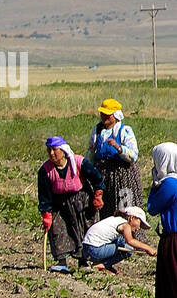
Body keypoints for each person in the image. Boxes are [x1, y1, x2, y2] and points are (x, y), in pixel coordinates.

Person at [38, 137, 103, 273]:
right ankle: (62, 262)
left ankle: (84, 261)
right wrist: (46, 214)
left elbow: (96, 178)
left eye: (54, 150)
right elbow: (44, 195)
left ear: (63, 150)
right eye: (48, 150)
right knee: (58, 229)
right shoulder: (45, 170)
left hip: (81, 199)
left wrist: (98, 195)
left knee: (84, 229)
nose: (51, 153)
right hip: (59, 202)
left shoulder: (79, 162)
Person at [88, 98, 143, 216]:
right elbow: (91, 153)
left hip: (122, 177)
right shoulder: (97, 131)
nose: (104, 117)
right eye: (102, 114)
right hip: (102, 176)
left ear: (115, 115)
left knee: (124, 209)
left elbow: (133, 155)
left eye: (107, 114)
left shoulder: (125, 131)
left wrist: (119, 148)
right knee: (104, 210)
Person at [147, 143, 177, 298]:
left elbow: (152, 207)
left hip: (173, 241)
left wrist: (155, 183)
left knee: (172, 291)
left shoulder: (169, 185)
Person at [81, 206, 156, 274]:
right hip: (95, 250)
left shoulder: (115, 220)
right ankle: (102, 265)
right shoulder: (125, 225)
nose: (139, 228)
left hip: (86, 249)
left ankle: (106, 265)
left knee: (120, 241)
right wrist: (148, 248)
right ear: (132, 218)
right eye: (140, 223)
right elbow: (130, 241)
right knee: (128, 250)